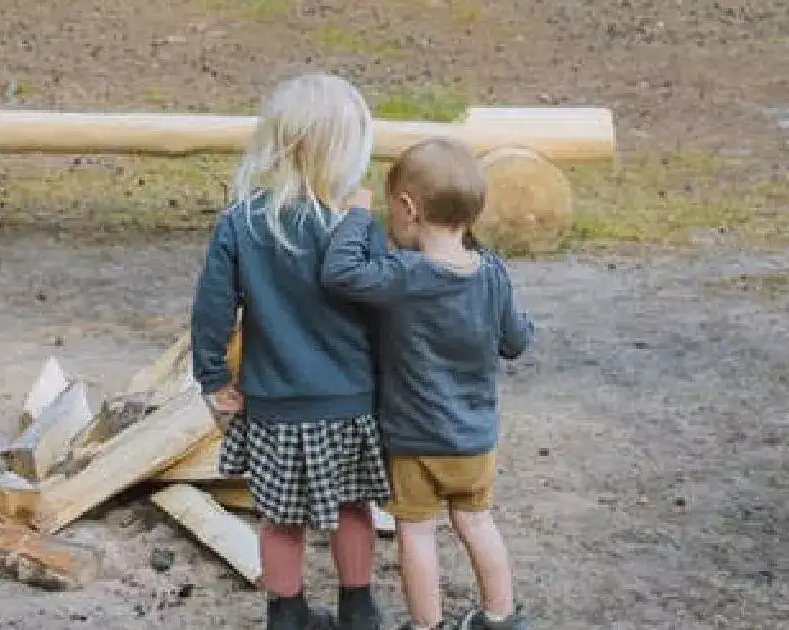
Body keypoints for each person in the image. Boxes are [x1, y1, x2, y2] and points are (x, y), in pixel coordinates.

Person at [190, 72, 391, 630]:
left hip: (275, 405)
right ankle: (358, 608)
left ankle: (286, 613)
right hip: (350, 403)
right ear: (344, 150)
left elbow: (211, 311)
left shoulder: (240, 222)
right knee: (353, 508)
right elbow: (383, 312)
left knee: (279, 518)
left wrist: (211, 377)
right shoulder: (354, 227)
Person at [320, 137, 536, 630]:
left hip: (414, 441)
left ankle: (426, 625)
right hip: (476, 439)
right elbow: (516, 341)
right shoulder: (493, 273)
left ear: (407, 208)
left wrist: (356, 216)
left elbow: (340, 273)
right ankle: (501, 617)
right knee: (477, 523)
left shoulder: (405, 274)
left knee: (416, 533)